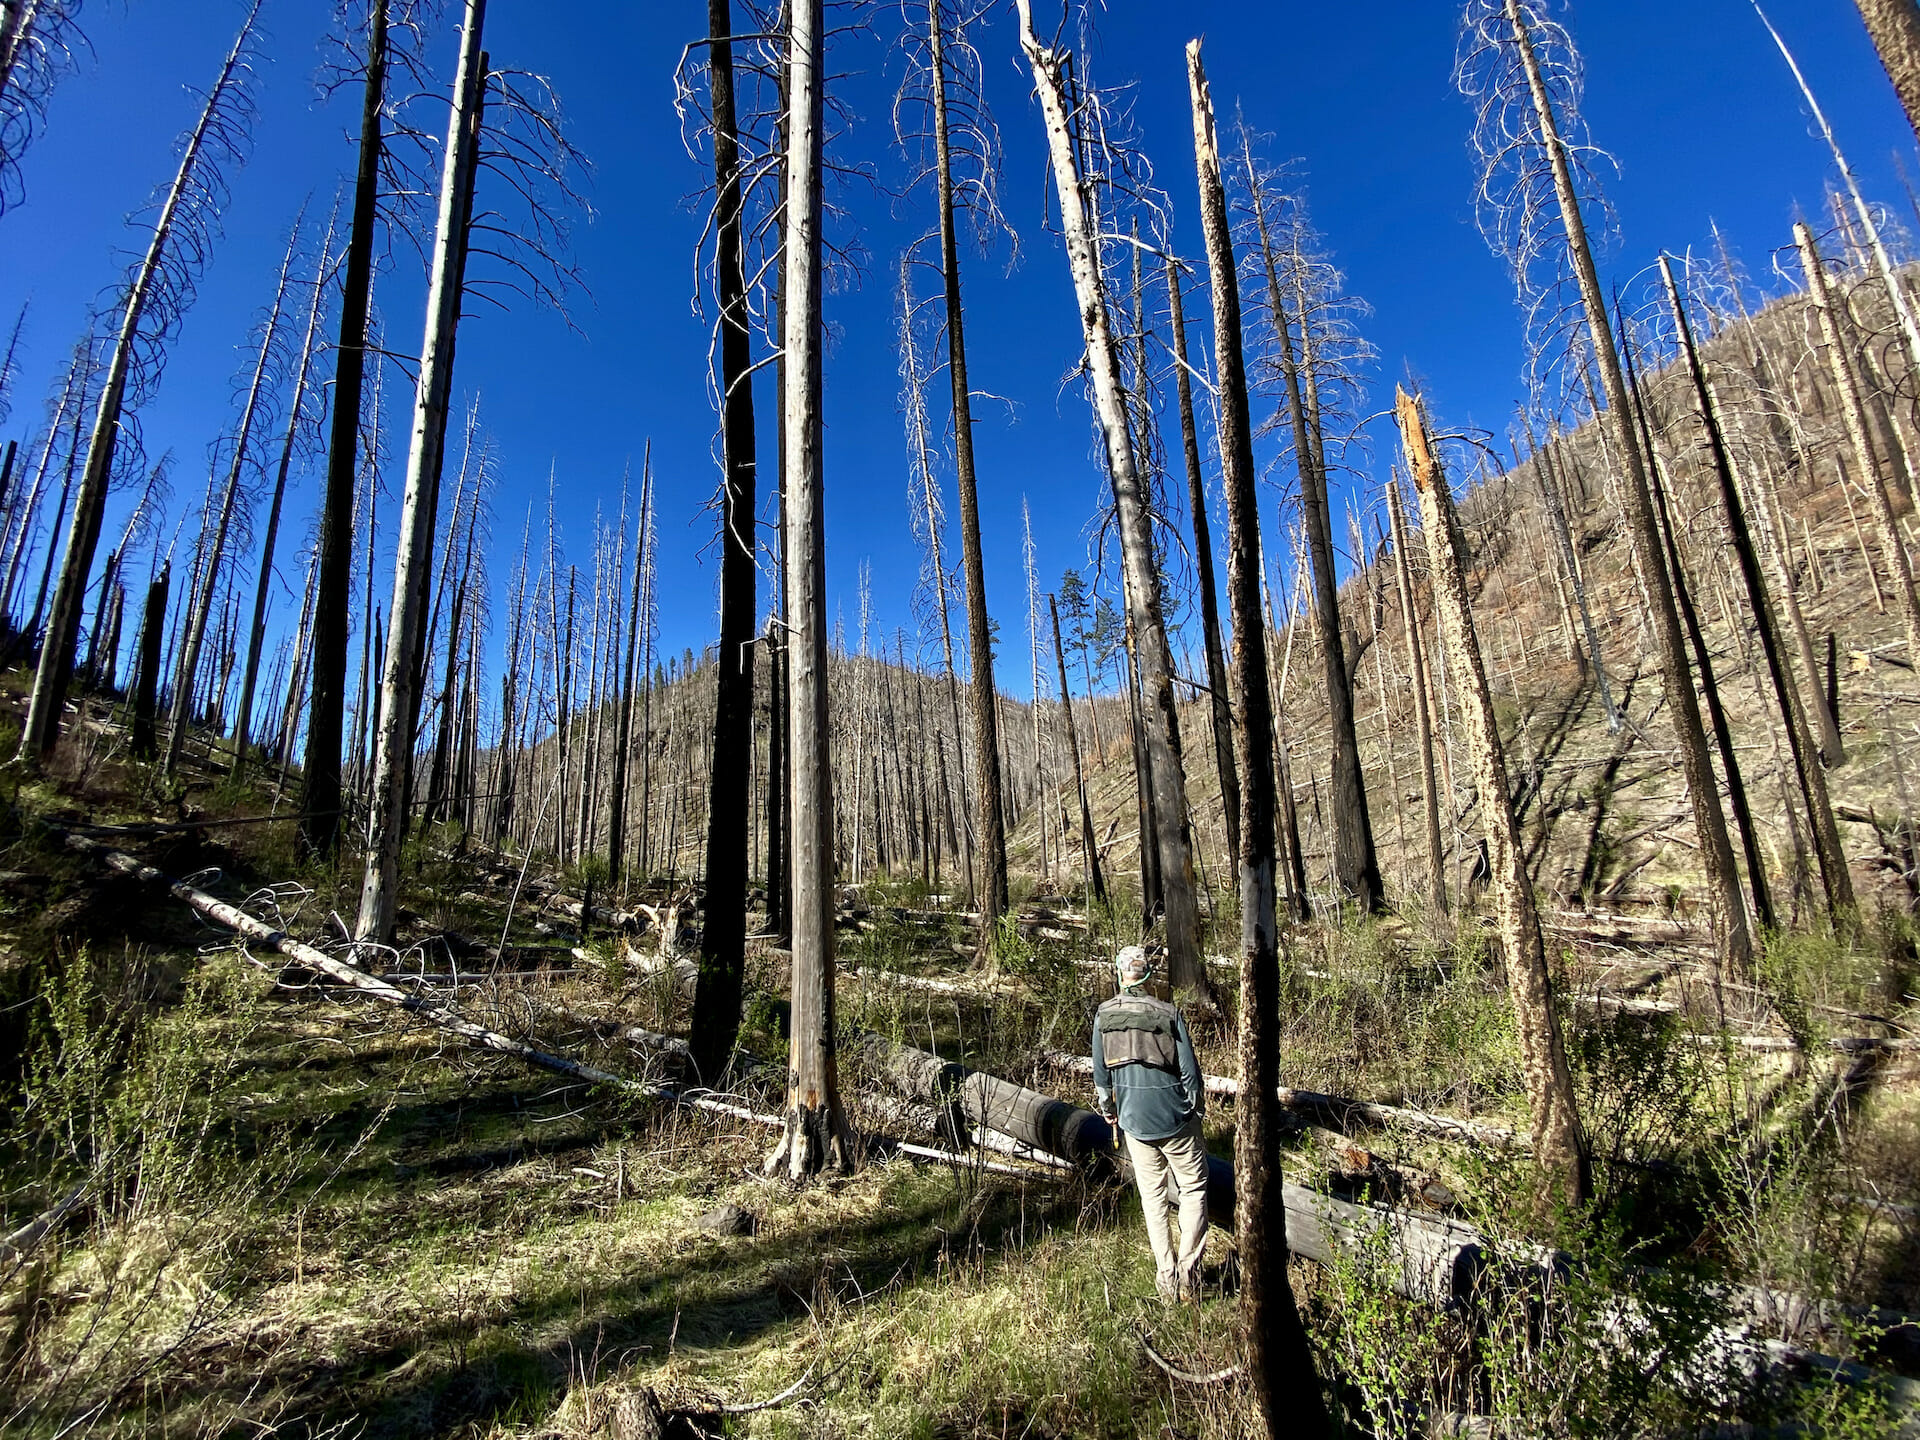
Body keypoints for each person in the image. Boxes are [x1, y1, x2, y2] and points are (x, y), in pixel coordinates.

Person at [1091, 945, 1209, 1300]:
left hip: (1132, 1121)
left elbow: (1100, 1074)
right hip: (1176, 1119)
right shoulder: (1168, 1013)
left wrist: (1109, 1108)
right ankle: (1189, 1273)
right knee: (1194, 1189)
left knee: (1153, 1198)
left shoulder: (1103, 1015)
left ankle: (1166, 1279)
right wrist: (1195, 1109)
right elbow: (1190, 1073)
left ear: (1120, 972)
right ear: (1148, 974)